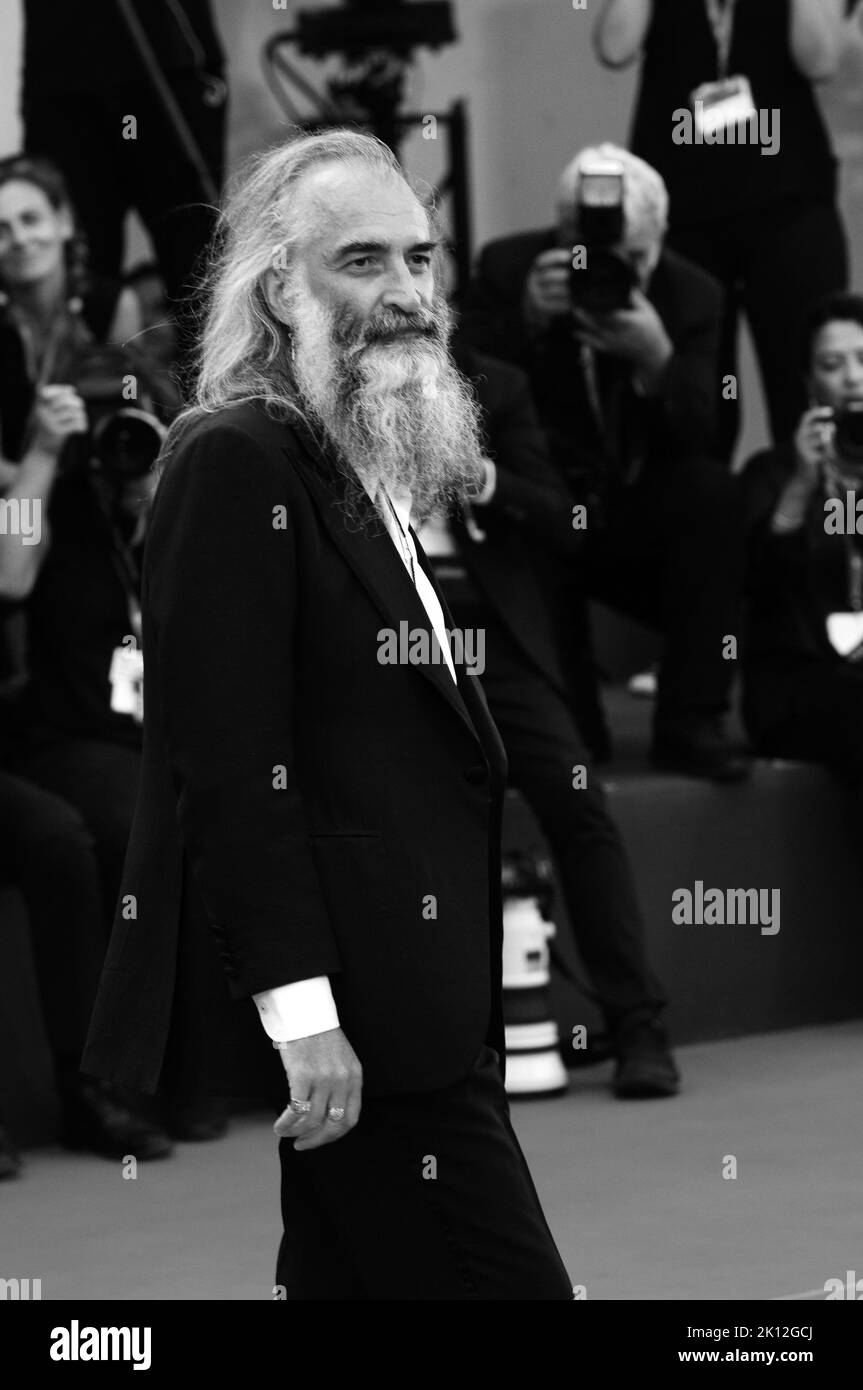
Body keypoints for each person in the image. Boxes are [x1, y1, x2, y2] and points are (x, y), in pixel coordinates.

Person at [82, 129, 574, 1300]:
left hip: (419, 999)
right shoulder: (234, 459)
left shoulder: (355, 451)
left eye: (420, 258)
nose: (406, 294)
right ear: (276, 288)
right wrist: (304, 1018)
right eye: (361, 261)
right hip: (365, 1021)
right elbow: (228, 766)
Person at [0, 155, 220, 1147]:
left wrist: (139, 488)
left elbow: (154, 534)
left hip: (116, 659)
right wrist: (41, 456)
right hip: (40, 689)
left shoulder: (106, 352)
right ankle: (112, 1081)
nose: (16, 237)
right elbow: (9, 571)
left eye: (31, 217)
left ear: (65, 226)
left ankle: (192, 1069)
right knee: (115, 825)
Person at [417, 339, 679, 1097]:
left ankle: (638, 1025)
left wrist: (485, 479)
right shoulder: (323, 383)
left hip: (493, 636)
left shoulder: (496, 384)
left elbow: (566, 521)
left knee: (581, 808)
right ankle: (424, 1049)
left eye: (421, 263)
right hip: (388, 636)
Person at [460, 144, 749, 783]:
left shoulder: (691, 292)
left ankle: (692, 721)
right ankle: (568, 728)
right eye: (600, 259)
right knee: (574, 747)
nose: (618, 275)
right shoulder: (511, 269)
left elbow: (710, 432)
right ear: (564, 237)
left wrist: (658, 361)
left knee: (716, 494)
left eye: (636, 260)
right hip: (545, 505)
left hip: (638, 505)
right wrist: (526, 323)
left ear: (661, 239)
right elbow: (460, 395)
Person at [593, 0, 851, 460]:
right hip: (681, 205)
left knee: (802, 383)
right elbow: (614, 47)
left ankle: (809, 517)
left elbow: (822, 59)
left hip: (788, 197)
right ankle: (707, 523)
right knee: (700, 393)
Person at [22, 0, 227, 382]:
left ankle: (215, 421)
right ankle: (95, 427)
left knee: (197, 260)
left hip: (166, 55)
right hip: (61, 70)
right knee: (72, 268)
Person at [740, 292, 863, 788]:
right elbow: (753, 585)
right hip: (799, 685)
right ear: (811, 384)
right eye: (832, 365)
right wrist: (800, 486)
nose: (853, 377)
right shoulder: (772, 472)